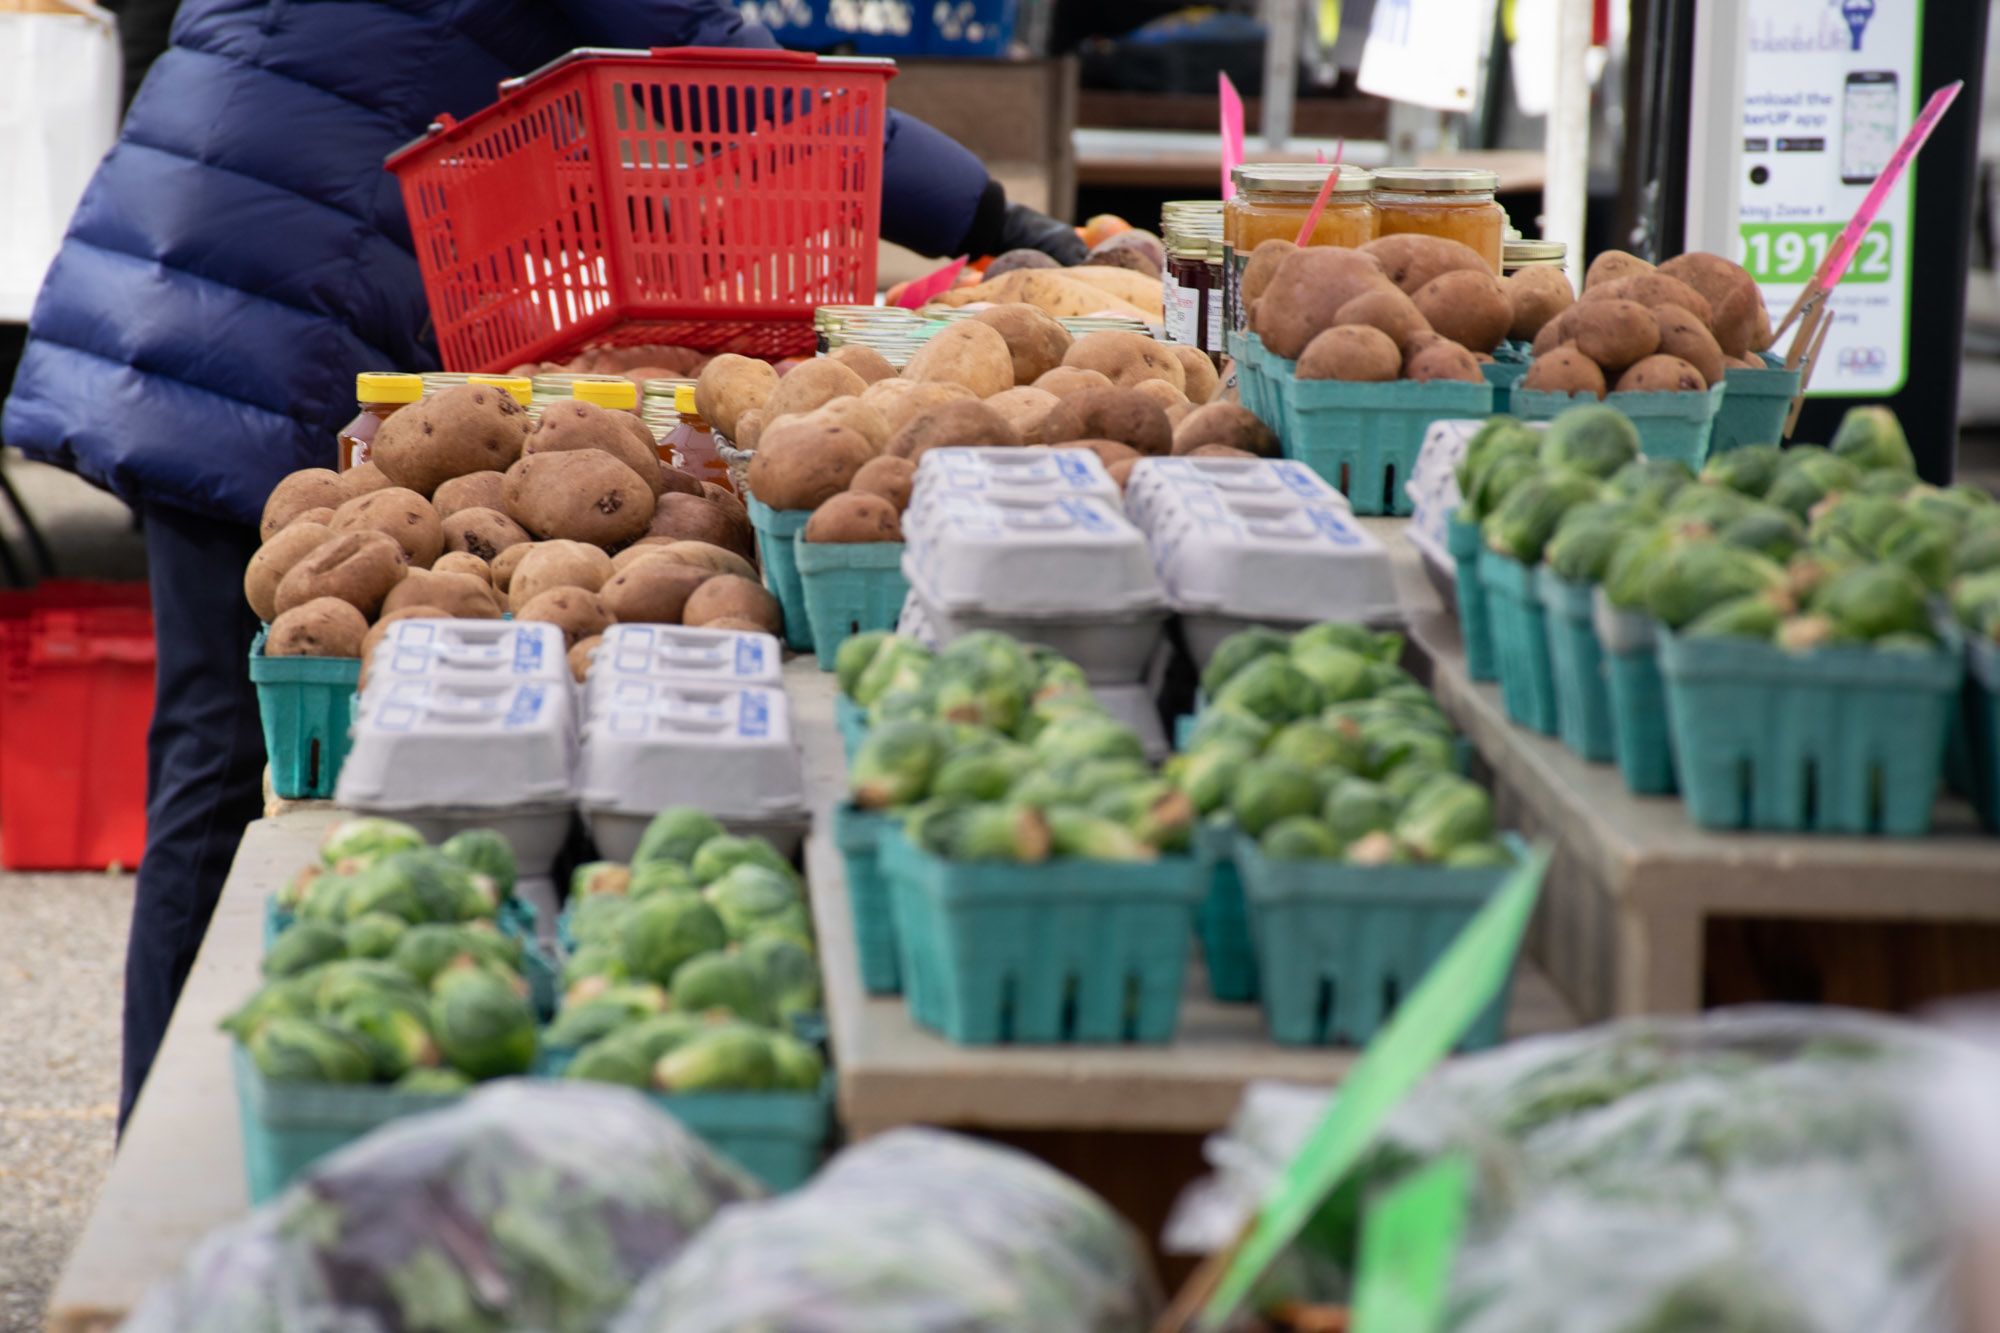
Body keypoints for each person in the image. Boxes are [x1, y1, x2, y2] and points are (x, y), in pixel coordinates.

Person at [1, 0, 1086, 1130]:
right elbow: (752, 83)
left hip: (175, 266)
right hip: (286, 312)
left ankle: (184, 1119)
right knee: (230, 752)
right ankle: (206, 1129)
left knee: (214, 745)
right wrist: (990, 213)